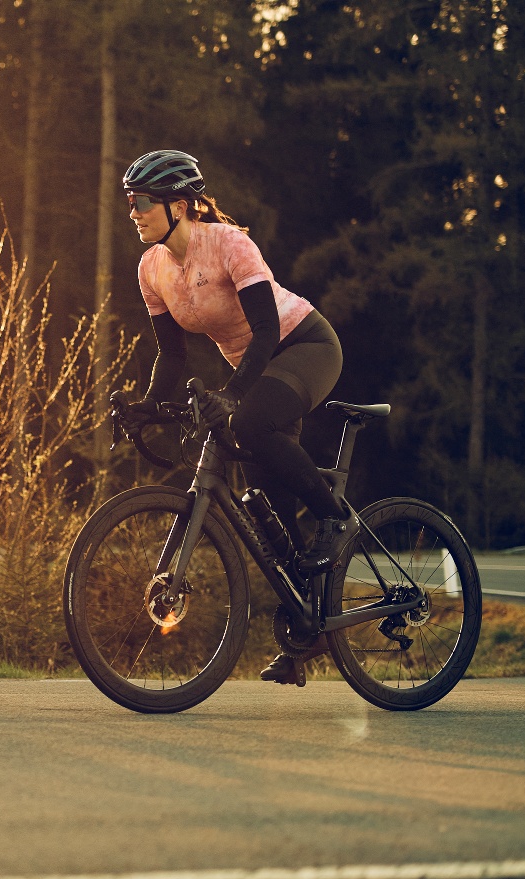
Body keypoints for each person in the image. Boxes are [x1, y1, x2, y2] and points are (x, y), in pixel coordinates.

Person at [118, 149, 354, 687]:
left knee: (248, 425)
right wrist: (147, 408)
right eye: (130, 203)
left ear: (178, 205)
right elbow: (172, 357)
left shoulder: (228, 244)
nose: (132, 212)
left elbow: (268, 332)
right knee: (265, 507)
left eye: (142, 203)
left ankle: (337, 518)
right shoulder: (151, 268)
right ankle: (306, 633)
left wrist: (231, 393)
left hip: (305, 347)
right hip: (256, 371)